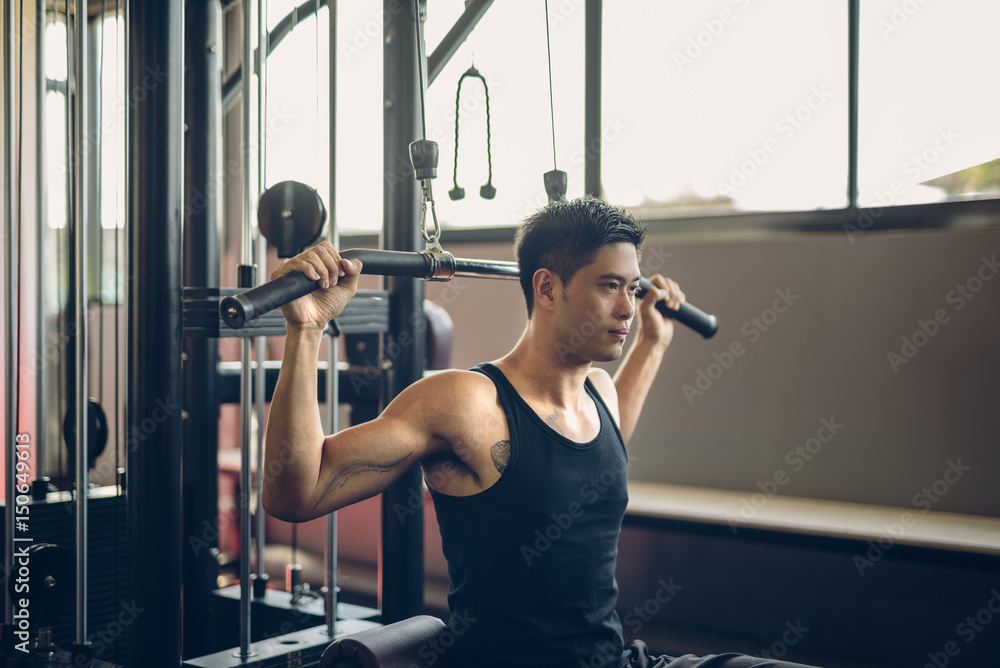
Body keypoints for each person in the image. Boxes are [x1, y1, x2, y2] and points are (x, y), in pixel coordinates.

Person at [262, 196, 820, 668]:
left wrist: (653, 342)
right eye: (609, 287)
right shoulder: (466, 403)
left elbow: (602, 451)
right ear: (548, 289)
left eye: (632, 288)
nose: (627, 307)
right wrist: (306, 331)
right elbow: (297, 493)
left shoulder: (597, 392)